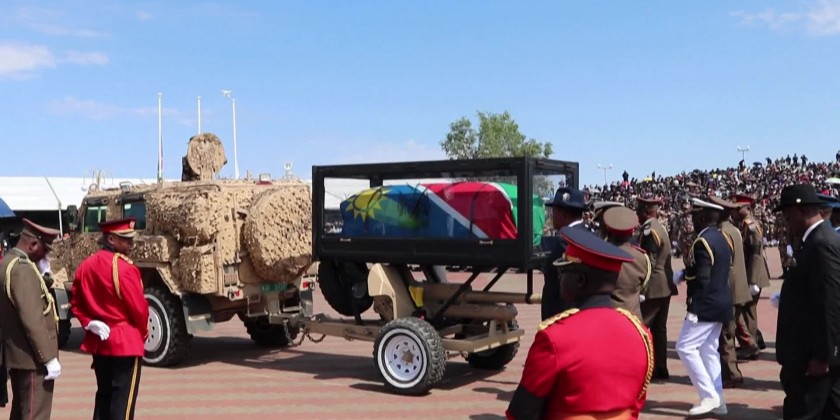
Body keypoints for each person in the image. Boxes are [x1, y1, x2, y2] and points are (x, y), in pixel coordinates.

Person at [506, 226, 652, 420]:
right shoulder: (640, 332)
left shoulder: (554, 337)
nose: (560, 278)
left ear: (580, 280)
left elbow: (522, 411)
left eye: (564, 272)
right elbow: (636, 403)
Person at [71, 217, 149, 420]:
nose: (131, 245)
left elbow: (76, 303)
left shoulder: (86, 265)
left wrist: (88, 323)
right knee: (122, 404)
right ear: (111, 240)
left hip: (101, 342)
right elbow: (139, 309)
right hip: (125, 341)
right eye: (126, 240)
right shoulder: (124, 268)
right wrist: (142, 333)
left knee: (104, 398)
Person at [775, 184, 840, 419]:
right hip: (814, 353)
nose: (786, 221)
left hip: (812, 358)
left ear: (801, 210)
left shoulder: (820, 243)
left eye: (788, 215)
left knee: (802, 412)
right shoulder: (816, 240)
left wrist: (824, 356)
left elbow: (830, 303)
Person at [675, 198, 732, 416]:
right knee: (708, 350)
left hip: (706, 305)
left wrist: (694, 308)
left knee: (685, 347)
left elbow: (703, 278)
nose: (692, 220)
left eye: (694, 216)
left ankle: (709, 396)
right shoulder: (720, 237)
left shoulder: (703, 241)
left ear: (702, 217)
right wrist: (686, 274)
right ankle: (718, 399)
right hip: (721, 302)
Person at [0, 219, 61, 420]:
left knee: (21, 413)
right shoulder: (22, 269)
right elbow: (32, 318)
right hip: (33, 360)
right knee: (35, 415)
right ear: (33, 245)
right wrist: (48, 358)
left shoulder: (9, 262)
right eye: (45, 249)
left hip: (20, 356)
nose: (46, 255)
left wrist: (44, 275)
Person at [708, 196, 751, 388]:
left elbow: (725, 264)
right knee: (729, 332)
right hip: (738, 287)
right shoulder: (733, 229)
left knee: (726, 335)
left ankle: (731, 374)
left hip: (729, 289)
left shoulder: (723, 233)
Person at [635, 196, 676, 380]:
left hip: (653, 287)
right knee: (660, 329)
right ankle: (661, 368)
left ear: (645, 213)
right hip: (664, 285)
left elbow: (648, 263)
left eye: (638, 211)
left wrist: (642, 290)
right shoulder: (659, 227)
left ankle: (642, 369)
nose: (637, 215)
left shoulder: (650, 231)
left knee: (642, 327)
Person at [540, 187, 590, 320]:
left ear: (563, 214)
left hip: (562, 319)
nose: (552, 215)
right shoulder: (589, 235)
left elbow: (566, 290)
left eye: (554, 211)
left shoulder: (566, 242)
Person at [731, 193, 770, 360]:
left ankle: (751, 346)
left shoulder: (750, 225)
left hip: (755, 273)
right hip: (749, 272)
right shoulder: (744, 224)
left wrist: (753, 281)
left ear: (743, 209)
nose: (733, 212)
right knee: (748, 310)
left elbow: (754, 253)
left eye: (736, 209)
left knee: (749, 311)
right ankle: (752, 342)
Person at [603, 206, 650, 321]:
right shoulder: (641, 257)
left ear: (608, 230)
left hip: (608, 317)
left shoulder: (601, 254)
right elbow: (644, 285)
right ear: (631, 231)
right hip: (634, 319)